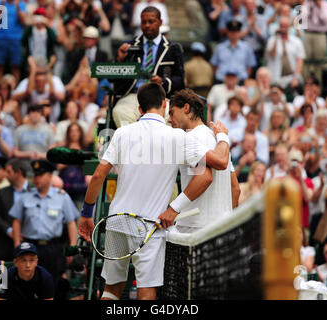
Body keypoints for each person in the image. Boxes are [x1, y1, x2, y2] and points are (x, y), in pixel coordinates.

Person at [78, 82, 231, 300]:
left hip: (116, 221)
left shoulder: (120, 133)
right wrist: (223, 136)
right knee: (146, 292)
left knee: (111, 290)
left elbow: (99, 175)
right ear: (165, 104)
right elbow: (215, 167)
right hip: (148, 228)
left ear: (139, 109)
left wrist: (86, 214)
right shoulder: (178, 137)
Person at [168, 89, 235, 233]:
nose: (169, 119)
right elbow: (235, 188)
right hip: (223, 227)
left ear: (186, 108)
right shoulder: (219, 140)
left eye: (171, 112)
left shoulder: (189, 138)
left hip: (195, 228)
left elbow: (205, 177)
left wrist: (173, 209)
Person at [9, 159, 79, 288]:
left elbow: (71, 223)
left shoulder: (62, 197)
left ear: (50, 176)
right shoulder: (25, 196)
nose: (37, 179)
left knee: (51, 285)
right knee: (26, 286)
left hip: (52, 248)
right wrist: (17, 244)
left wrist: (72, 247)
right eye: (35, 175)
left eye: (40, 175)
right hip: (30, 247)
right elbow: (16, 221)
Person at [112, 6, 185, 128]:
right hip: (133, 95)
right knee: (120, 112)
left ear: (160, 22)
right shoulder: (129, 46)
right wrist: (119, 60)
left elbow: (180, 79)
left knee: (170, 116)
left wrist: (162, 81)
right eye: (143, 22)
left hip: (160, 97)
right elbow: (112, 78)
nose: (147, 25)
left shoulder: (173, 49)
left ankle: (157, 146)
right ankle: (132, 145)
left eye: (151, 21)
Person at [0, 158, 32, 261]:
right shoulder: (2, 192)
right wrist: (10, 230)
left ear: (18, 172)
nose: (5, 174)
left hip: (30, 242)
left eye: (8, 171)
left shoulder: (34, 191)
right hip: (6, 244)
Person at [264, 16, 306, 92]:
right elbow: (272, 54)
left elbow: (300, 61)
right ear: (278, 26)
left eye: (285, 26)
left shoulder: (297, 41)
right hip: (275, 78)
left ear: (289, 26)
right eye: (281, 26)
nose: (283, 28)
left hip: (291, 77)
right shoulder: (272, 40)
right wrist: (276, 37)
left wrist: (295, 78)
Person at [211, 20, 257, 84]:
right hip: (222, 82)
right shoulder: (220, 47)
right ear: (228, 32)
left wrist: (245, 78)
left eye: (236, 31)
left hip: (240, 82)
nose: (233, 34)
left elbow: (250, 66)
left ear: (240, 32)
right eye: (231, 31)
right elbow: (214, 65)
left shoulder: (246, 47)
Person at [0, 0, 27, 84]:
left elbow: (23, 21)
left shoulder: (21, 4)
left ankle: (15, 89)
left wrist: (17, 7)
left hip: (16, 39)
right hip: (1, 38)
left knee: (15, 66)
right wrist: (2, 5)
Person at [302, 0, 327, 85]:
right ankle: (306, 87)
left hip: (321, 35)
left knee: (319, 63)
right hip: (307, 34)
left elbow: (326, 20)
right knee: (305, 62)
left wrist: (319, 6)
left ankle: (317, 88)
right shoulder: (306, 3)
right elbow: (300, 20)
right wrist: (309, 7)